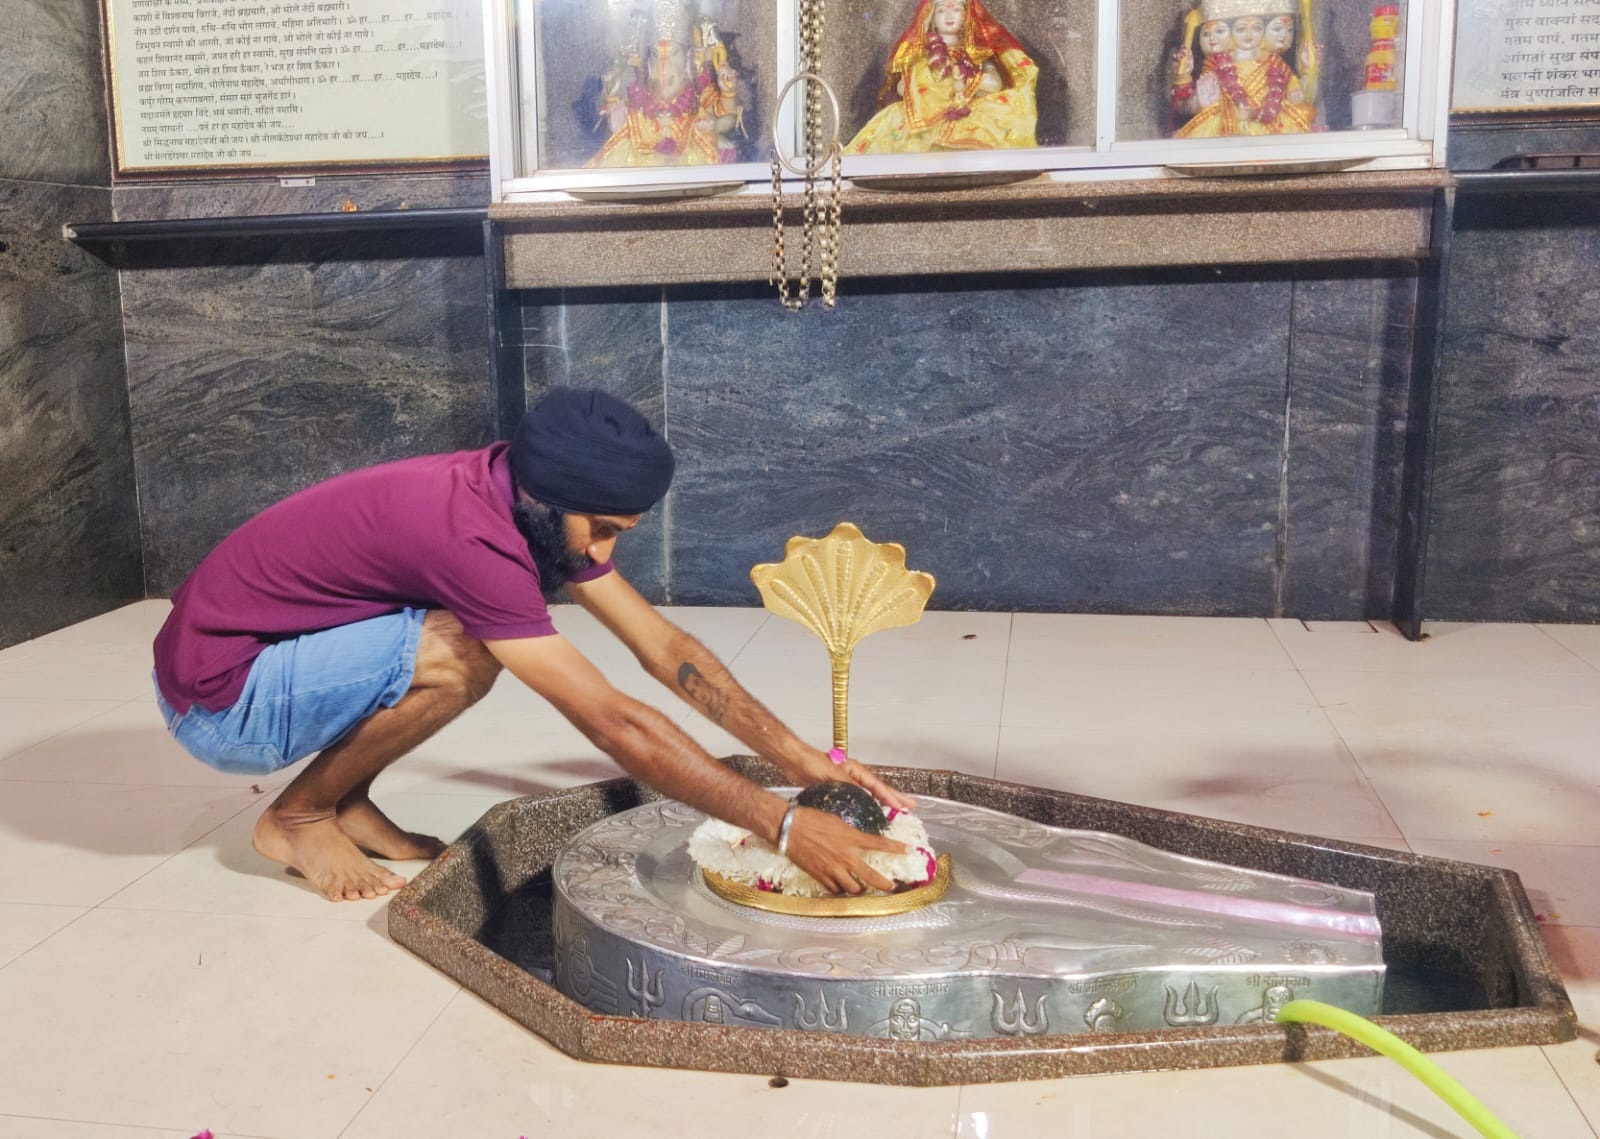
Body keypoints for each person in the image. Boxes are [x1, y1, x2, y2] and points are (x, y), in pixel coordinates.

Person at [152, 387, 912, 903]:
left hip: (267, 651)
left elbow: (660, 646)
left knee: (457, 639)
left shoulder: (517, 493)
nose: (604, 552)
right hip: (222, 701)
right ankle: (299, 816)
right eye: (602, 530)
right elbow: (613, 722)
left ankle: (345, 800)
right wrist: (780, 823)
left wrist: (800, 759)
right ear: (549, 502)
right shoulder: (473, 540)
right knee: (462, 649)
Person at [846, 0, 1038, 155]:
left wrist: (966, 80)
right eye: (941, 11)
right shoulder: (921, 55)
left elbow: (995, 83)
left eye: (956, 9)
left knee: (1005, 107)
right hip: (924, 116)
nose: (949, 16)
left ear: (967, 16)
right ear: (931, 17)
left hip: (969, 111)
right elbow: (902, 88)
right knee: (897, 121)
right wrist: (930, 85)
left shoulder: (977, 54)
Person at [1171, 0, 1314, 138]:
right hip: (1226, 128)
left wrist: (1309, 70)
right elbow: (1183, 107)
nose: (1248, 35)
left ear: (1265, 31)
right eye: (1241, 29)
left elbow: (1305, 96)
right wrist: (1189, 87)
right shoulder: (1215, 65)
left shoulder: (1277, 64)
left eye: (1256, 28)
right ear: (1230, 32)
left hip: (1273, 127)